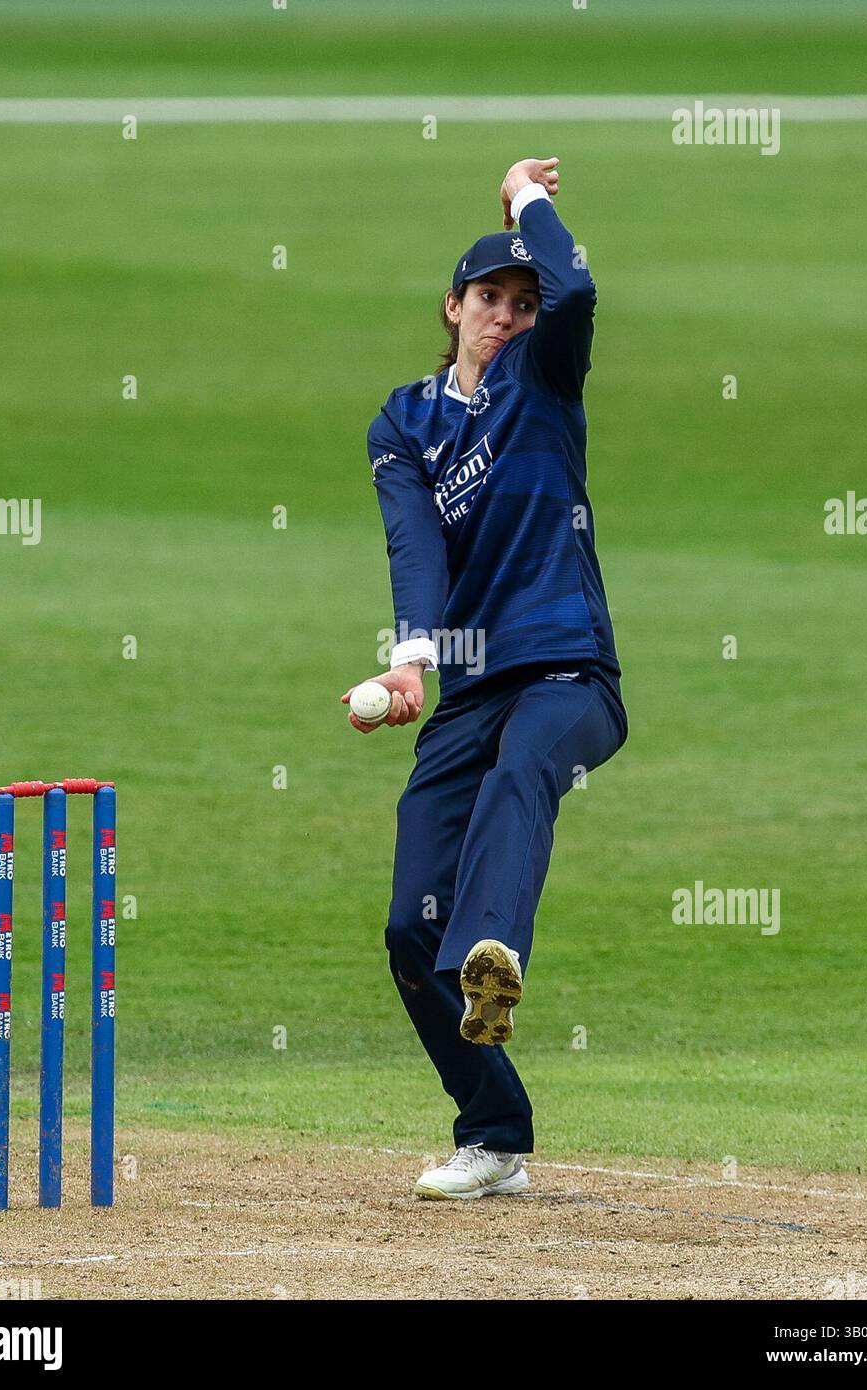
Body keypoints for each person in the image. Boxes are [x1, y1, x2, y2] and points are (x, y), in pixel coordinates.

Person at [341, 157, 627, 1200]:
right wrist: (412, 659)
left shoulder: (541, 377)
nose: (506, 315)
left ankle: (491, 949)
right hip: (465, 690)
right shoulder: (404, 422)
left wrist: (526, 204)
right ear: (451, 306)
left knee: (521, 773)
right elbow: (413, 546)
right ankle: (494, 1129)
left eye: (521, 301)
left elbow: (580, 289)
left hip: (566, 676)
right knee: (406, 927)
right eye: (489, 299)